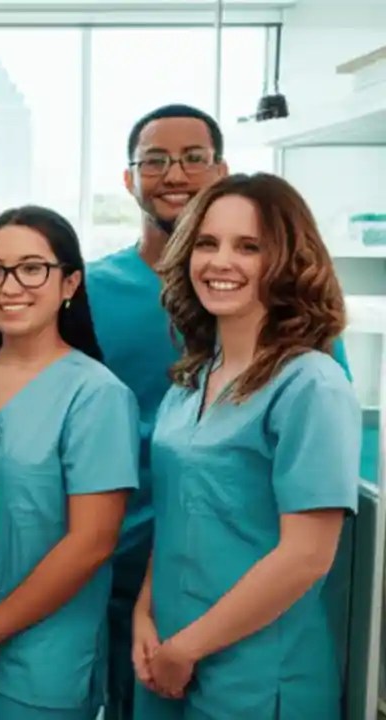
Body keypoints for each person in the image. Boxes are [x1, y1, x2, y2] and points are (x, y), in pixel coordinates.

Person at [86, 103, 352, 720]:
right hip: (166, 654)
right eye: (206, 243)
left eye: (248, 246)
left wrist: (190, 647)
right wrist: (147, 617)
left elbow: (307, 555)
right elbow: (177, 518)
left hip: (256, 674)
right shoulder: (191, 380)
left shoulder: (310, 384)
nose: (220, 262)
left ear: (286, 258)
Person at [0, 206, 138, 720]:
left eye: (33, 268)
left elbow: (91, 542)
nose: (10, 286)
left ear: (69, 282)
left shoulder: (95, 395)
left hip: (43, 655)